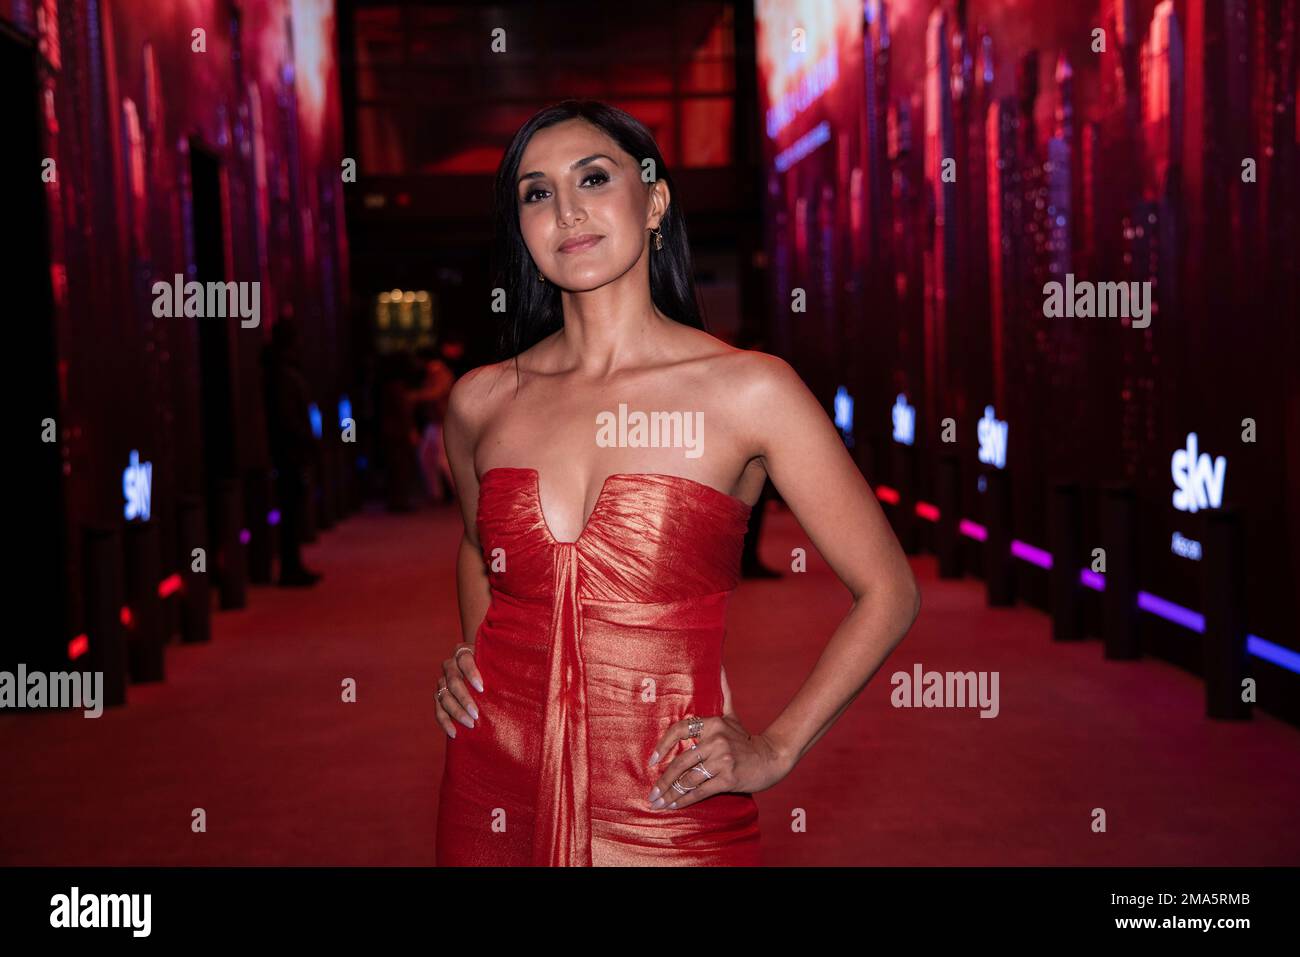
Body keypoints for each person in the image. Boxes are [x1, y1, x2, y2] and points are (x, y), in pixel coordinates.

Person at [433, 100, 920, 866]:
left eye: (594, 177)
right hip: (493, 781)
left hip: (669, 799)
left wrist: (776, 746)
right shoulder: (482, 400)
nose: (567, 211)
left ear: (654, 199)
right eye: (536, 193)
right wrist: (473, 651)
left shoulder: (750, 390)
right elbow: (474, 544)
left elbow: (889, 589)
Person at [263, 317, 322, 587]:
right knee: (291, 512)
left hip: (290, 453)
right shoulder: (283, 376)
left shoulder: (279, 373)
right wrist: (307, 442)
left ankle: (292, 566)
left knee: (292, 512)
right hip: (290, 455)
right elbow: (288, 420)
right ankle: (290, 568)